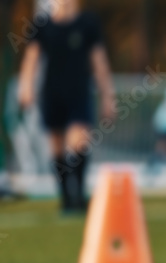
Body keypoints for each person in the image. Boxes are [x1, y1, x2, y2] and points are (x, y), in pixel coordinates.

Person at [17, 0, 116, 213]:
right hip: (52, 93)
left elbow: (99, 61)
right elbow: (31, 59)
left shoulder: (88, 23)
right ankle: (66, 198)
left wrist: (108, 95)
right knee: (57, 148)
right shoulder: (42, 24)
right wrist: (26, 87)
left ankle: (79, 195)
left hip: (79, 93)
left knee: (79, 142)